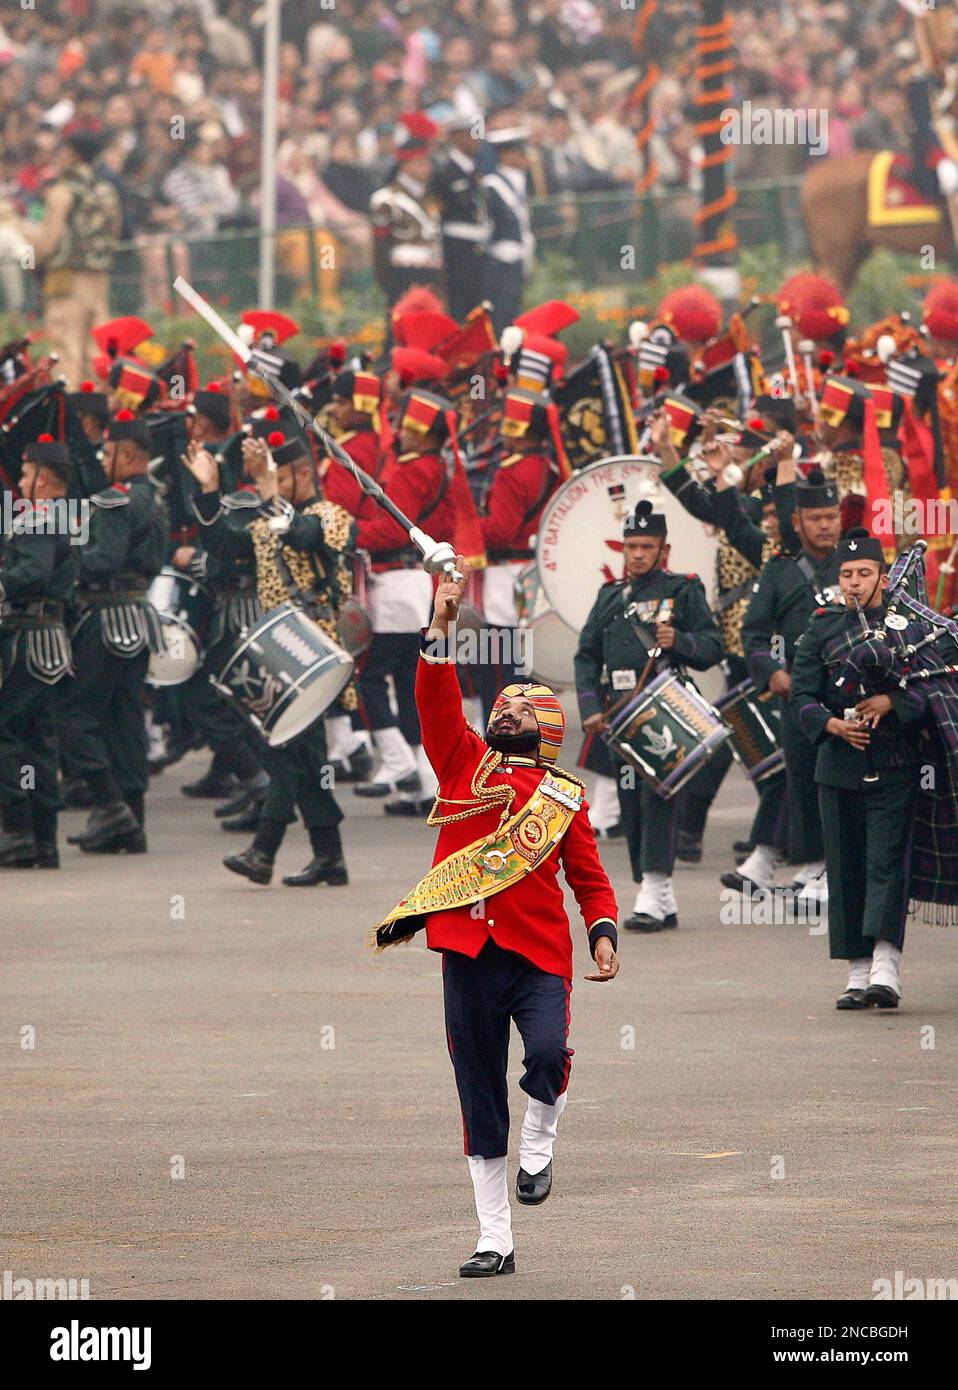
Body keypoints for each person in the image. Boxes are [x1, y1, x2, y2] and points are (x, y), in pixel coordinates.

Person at [374, 555, 619, 1278]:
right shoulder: (462, 764)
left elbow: (591, 881)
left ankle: (541, 1137)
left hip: (540, 954)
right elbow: (437, 700)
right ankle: (494, 1237)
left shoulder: (563, 797)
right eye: (501, 703)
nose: (502, 708)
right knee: (477, 1097)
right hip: (466, 955)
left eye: (519, 706)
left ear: (544, 727)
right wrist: (440, 627)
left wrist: (603, 933)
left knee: (545, 1056)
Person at [185, 427, 353, 888]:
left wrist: (267, 488)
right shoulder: (270, 519)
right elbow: (222, 544)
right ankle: (327, 856)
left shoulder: (330, 515)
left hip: (316, 647)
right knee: (301, 754)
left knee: (289, 751)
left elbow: (302, 536)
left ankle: (266, 851)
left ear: (300, 473)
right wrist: (209, 489)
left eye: (278, 476)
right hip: (281, 648)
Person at [789, 529, 932, 1009]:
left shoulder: (910, 625)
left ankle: (885, 968)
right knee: (846, 866)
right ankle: (855, 972)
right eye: (846, 574)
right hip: (838, 766)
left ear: (884, 577)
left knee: (886, 863)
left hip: (894, 764)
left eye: (863, 574)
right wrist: (831, 724)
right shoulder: (821, 628)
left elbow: (933, 688)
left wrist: (892, 701)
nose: (853, 582)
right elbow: (801, 696)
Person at [574, 493, 723, 933]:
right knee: (629, 803)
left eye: (647, 547)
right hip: (618, 714)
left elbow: (713, 646)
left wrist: (680, 641)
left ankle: (653, 891)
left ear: (664, 551)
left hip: (663, 708)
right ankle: (658, 892)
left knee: (658, 798)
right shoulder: (609, 596)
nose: (638, 555)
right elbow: (586, 657)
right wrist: (588, 708)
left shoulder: (683, 590)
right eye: (632, 547)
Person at [57, 412, 167, 853]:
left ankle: (108, 805)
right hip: (139, 616)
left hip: (105, 617)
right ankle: (131, 820)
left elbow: (103, 559)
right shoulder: (155, 497)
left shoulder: (115, 499)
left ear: (128, 454)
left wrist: (66, 560)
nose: (104, 458)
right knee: (124, 719)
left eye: (108, 451)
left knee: (73, 712)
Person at [741, 467, 843, 905]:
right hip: (799, 697)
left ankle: (835, 868)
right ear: (797, 521)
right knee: (803, 781)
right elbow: (754, 635)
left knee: (843, 784)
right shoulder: (779, 572)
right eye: (816, 517)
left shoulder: (857, 563)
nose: (825, 525)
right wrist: (772, 672)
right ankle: (816, 865)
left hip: (847, 697)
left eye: (831, 516)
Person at [0, 437, 76, 868]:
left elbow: (30, 572)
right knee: (38, 739)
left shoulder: (39, 517)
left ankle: (16, 829)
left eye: (27, 475)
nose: (22, 482)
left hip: (28, 638)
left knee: (5, 732)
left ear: (42, 479)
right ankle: (44, 837)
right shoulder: (66, 516)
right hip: (51, 640)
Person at [23, 131, 120, 388]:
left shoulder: (62, 192)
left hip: (65, 279)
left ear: (72, 155)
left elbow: (47, 244)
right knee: (96, 348)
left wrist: (28, 247)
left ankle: (67, 410)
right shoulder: (107, 191)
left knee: (65, 346)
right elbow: (115, 233)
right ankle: (97, 411)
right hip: (99, 277)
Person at [430, 115, 489, 321]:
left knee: (476, 305)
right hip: (456, 249)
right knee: (459, 305)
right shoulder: (445, 171)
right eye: (471, 135)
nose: (477, 140)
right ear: (456, 137)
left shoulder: (474, 170)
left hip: (477, 247)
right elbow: (439, 211)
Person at [482, 127, 535, 334]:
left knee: (515, 316)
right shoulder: (492, 185)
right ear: (505, 155)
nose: (525, 157)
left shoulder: (520, 182)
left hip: (517, 261)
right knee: (500, 318)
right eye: (519, 152)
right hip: (499, 263)